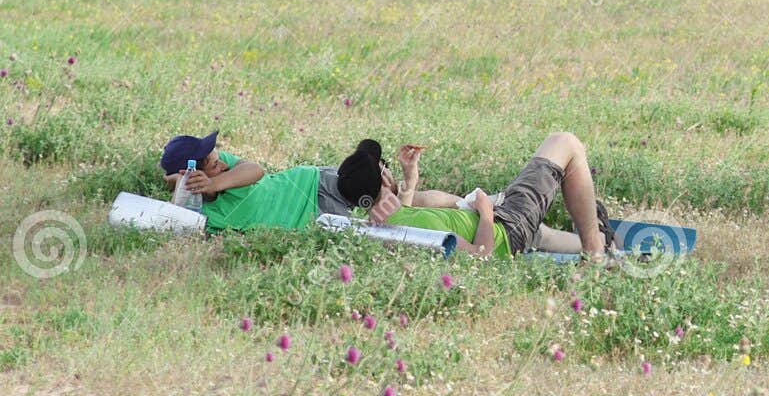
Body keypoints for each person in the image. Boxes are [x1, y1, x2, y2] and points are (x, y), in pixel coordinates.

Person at [335, 133, 611, 260]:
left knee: (557, 235)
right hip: (507, 228)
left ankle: (599, 238)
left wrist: (410, 179)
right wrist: (485, 211)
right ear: (384, 178)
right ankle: (594, 252)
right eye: (386, 165)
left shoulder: (383, 222)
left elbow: (403, 210)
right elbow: (482, 255)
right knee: (565, 143)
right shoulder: (420, 227)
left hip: (507, 225)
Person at [159, 131, 357, 232]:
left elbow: (256, 170)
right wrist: (179, 183)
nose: (223, 166)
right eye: (214, 166)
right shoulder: (201, 214)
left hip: (313, 182)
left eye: (218, 160)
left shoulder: (222, 168)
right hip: (315, 216)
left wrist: (213, 184)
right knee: (375, 235)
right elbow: (173, 224)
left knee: (377, 187)